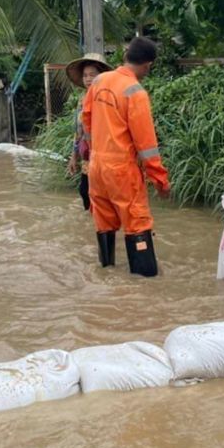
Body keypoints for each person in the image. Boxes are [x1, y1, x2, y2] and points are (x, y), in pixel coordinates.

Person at [81, 36, 170, 275]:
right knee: (137, 223)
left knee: (104, 222)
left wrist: (94, 152)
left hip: (96, 168)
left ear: (126, 56)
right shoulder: (135, 92)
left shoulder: (99, 80)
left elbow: (86, 118)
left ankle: (106, 271)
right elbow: (147, 146)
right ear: (147, 65)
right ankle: (144, 285)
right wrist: (160, 181)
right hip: (121, 170)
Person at [64, 52, 112, 210]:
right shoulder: (82, 100)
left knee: (103, 194)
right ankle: (94, 224)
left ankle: (104, 226)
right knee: (85, 192)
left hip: (104, 155)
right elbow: (78, 131)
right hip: (87, 155)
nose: (88, 79)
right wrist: (73, 156)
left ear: (102, 76)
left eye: (92, 75)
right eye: (85, 75)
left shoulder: (107, 99)